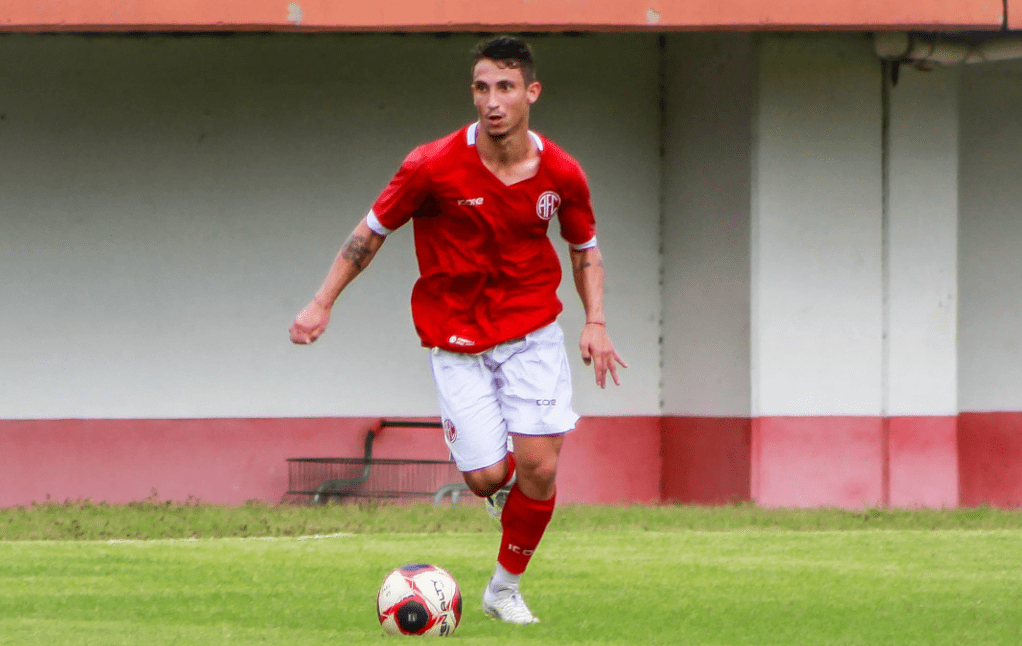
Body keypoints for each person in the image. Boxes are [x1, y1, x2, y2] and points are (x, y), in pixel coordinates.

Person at [289, 36, 626, 625]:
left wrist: (596, 321)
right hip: (456, 340)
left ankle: (503, 588)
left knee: (541, 467)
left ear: (531, 92)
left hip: (532, 331)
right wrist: (322, 303)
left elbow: (584, 249)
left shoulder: (562, 174)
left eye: (505, 87)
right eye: (481, 87)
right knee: (486, 477)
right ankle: (502, 497)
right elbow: (368, 235)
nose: (492, 101)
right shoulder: (430, 165)